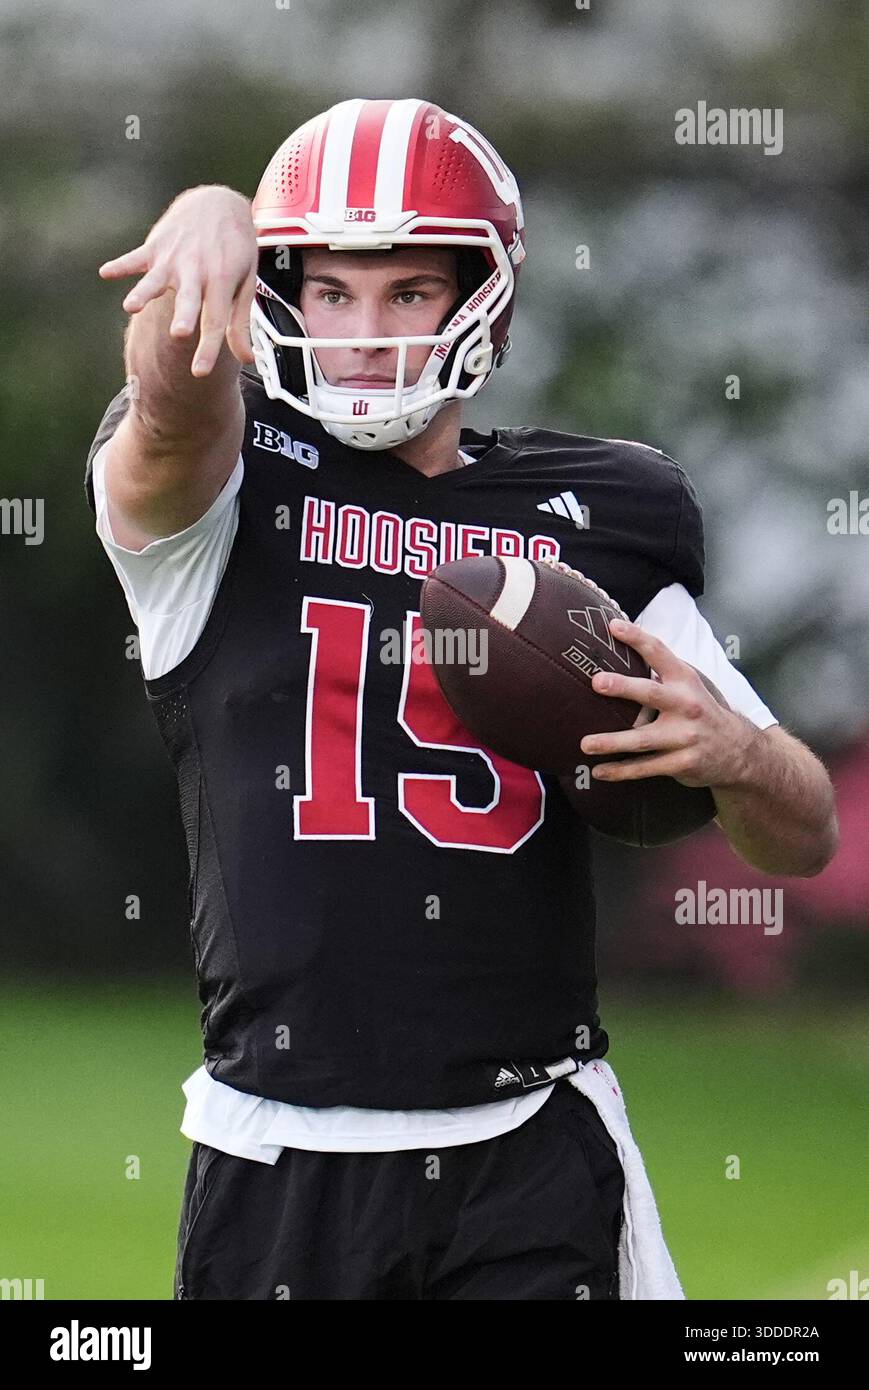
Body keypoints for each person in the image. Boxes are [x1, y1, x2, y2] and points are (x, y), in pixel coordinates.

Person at [85, 97, 838, 1300]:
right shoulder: (228, 489)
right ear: (276, 296)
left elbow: (803, 833)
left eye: (405, 293)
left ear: (478, 294)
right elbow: (172, 412)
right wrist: (208, 221)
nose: (365, 334)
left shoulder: (604, 513)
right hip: (276, 1143)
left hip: (526, 1140)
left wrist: (742, 757)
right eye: (330, 291)